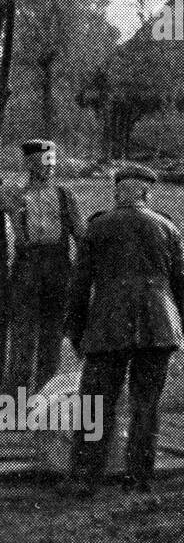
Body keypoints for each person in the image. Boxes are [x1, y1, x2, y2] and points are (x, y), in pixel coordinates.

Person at [63, 166, 184, 497]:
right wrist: (180, 326)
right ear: (147, 195)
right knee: (146, 404)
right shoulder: (167, 227)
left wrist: (75, 332)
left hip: (108, 325)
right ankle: (139, 479)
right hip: (159, 326)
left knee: (95, 403)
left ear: (118, 193)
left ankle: (84, 479)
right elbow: (180, 283)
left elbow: (79, 286)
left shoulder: (98, 227)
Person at [0, 139, 84, 396]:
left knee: (52, 341)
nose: (47, 168)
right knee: (22, 343)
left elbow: (81, 236)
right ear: (28, 164)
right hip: (26, 271)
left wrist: (83, 274)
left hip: (58, 270)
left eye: (51, 163)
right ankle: (13, 408)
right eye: (40, 163)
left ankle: (42, 407)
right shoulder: (12, 195)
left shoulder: (64, 195)